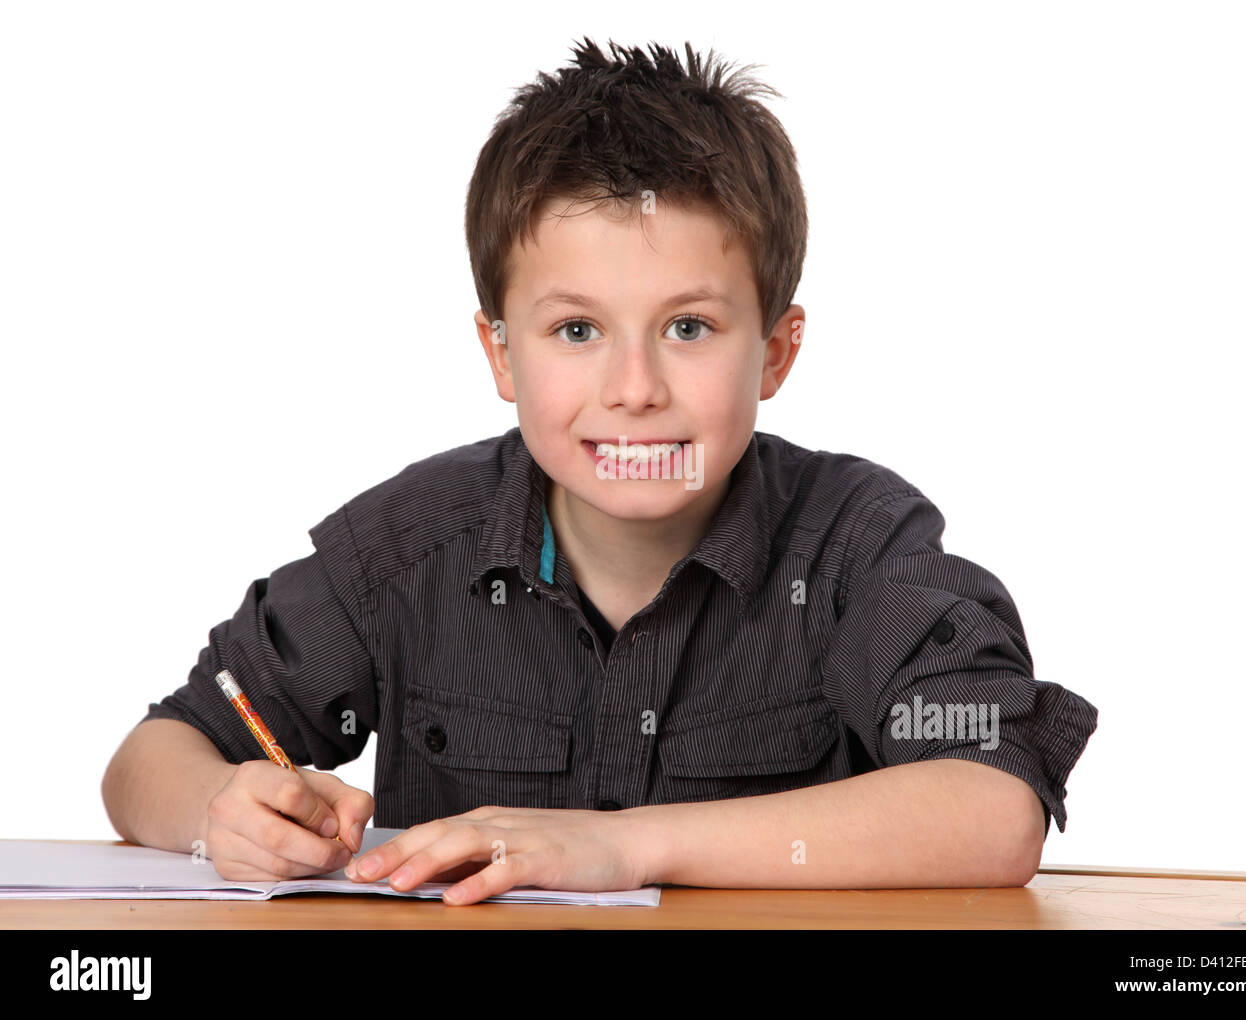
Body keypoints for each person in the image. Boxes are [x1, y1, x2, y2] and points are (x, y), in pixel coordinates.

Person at [102, 38, 1098, 906]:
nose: (633, 388)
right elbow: (155, 754)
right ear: (500, 354)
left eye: (689, 328)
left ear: (776, 352)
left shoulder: (854, 549)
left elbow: (993, 800)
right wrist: (217, 814)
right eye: (576, 330)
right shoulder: (408, 553)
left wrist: (619, 847)